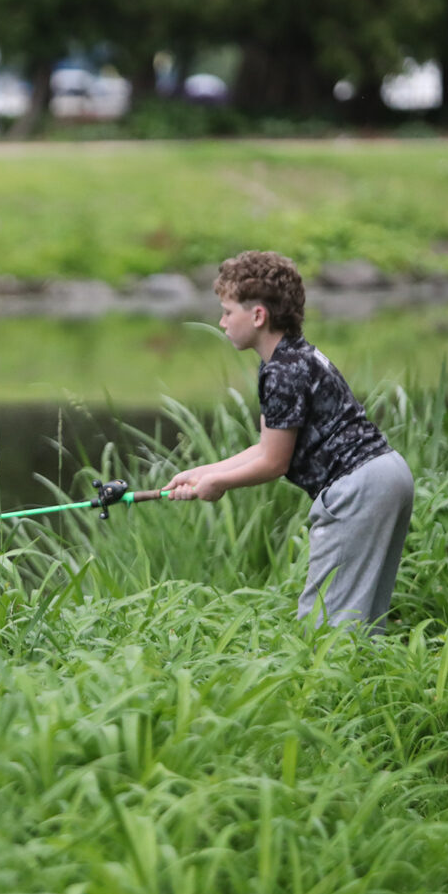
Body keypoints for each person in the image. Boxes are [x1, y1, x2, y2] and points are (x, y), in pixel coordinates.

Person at [164, 250, 415, 632]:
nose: (222, 321)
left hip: (358, 486)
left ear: (258, 315)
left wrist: (218, 485)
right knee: (363, 621)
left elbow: (273, 463)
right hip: (387, 473)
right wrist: (202, 472)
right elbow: (266, 447)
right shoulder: (293, 357)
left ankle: (328, 690)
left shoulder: (282, 371)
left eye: (228, 312)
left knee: (325, 628)